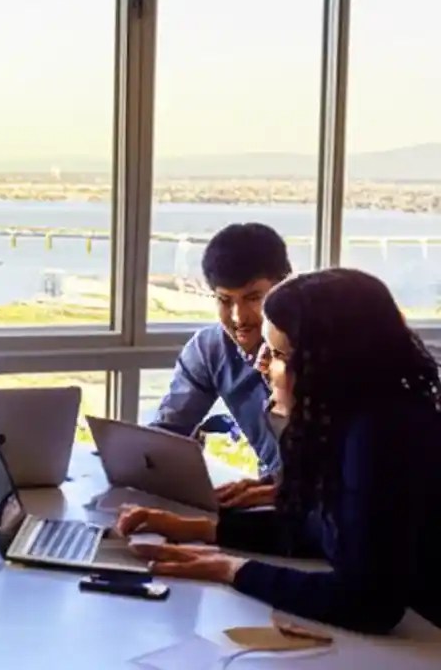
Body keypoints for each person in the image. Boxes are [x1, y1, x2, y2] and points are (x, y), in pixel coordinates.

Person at [116, 268, 441, 634]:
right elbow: (323, 531)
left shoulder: (381, 435)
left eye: (277, 354)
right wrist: (199, 529)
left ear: (326, 364)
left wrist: (229, 568)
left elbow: (367, 602)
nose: (261, 365)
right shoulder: (360, 421)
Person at [152, 222, 291, 508]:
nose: (239, 317)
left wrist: (285, 489)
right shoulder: (211, 349)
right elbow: (168, 434)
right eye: (225, 300)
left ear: (285, 287)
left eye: (253, 298)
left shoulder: (319, 350)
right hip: (270, 503)